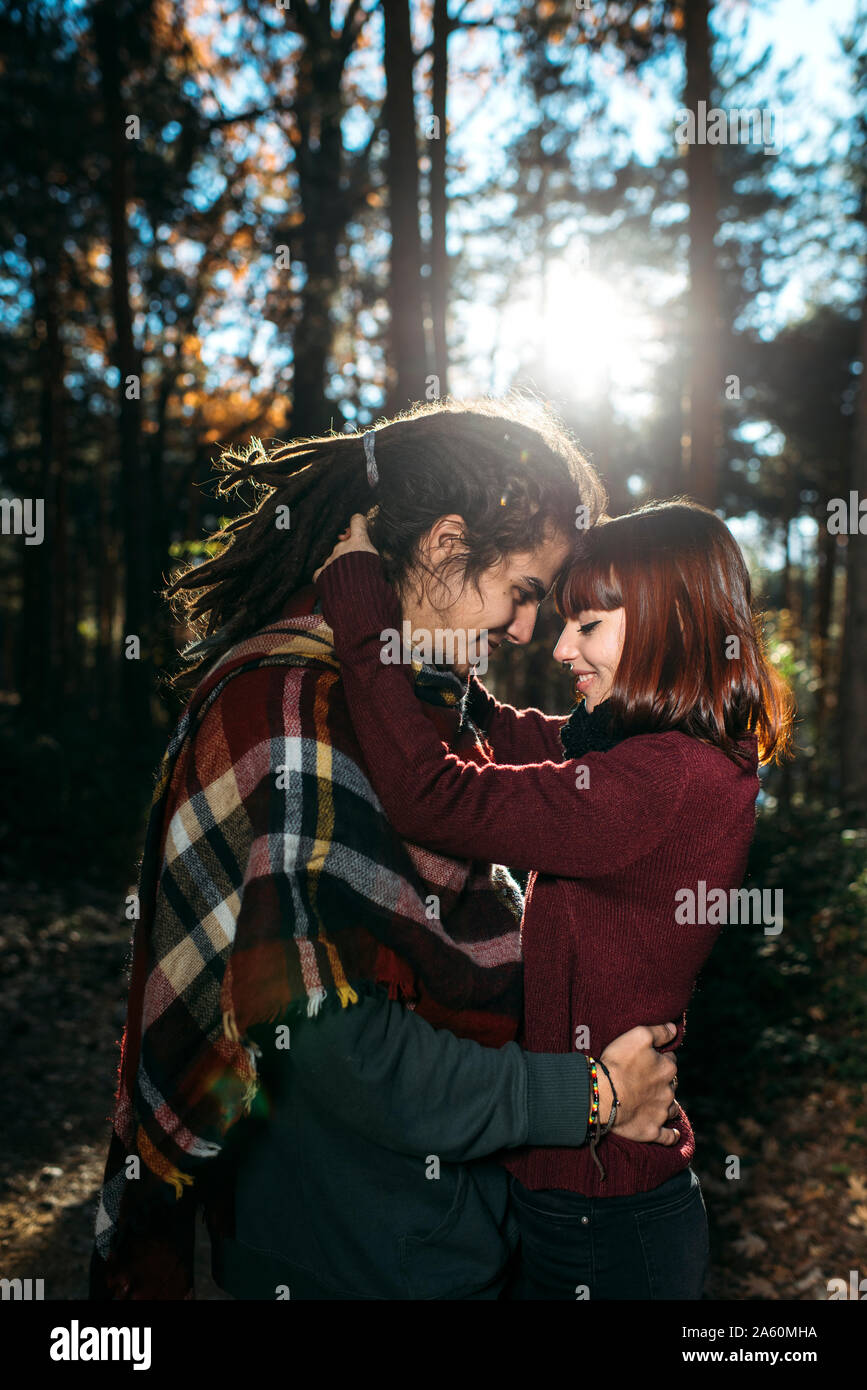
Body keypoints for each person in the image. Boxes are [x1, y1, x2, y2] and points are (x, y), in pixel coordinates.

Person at [89, 396, 680, 1303]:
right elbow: (334, 1049)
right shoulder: (295, 711)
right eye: (523, 591)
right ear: (445, 547)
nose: (525, 631)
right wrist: (588, 1099)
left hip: (421, 1236)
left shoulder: (410, 704)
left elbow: (540, 761)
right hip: (355, 1255)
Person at [312, 498, 795, 1300]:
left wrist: (364, 619)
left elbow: (434, 797)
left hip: (606, 1215)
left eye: (590, 625)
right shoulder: (655, 748)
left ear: (672, 626)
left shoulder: (662, 780)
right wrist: (434, 643)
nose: (560, 645)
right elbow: (510, 734)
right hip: (585, 1188)